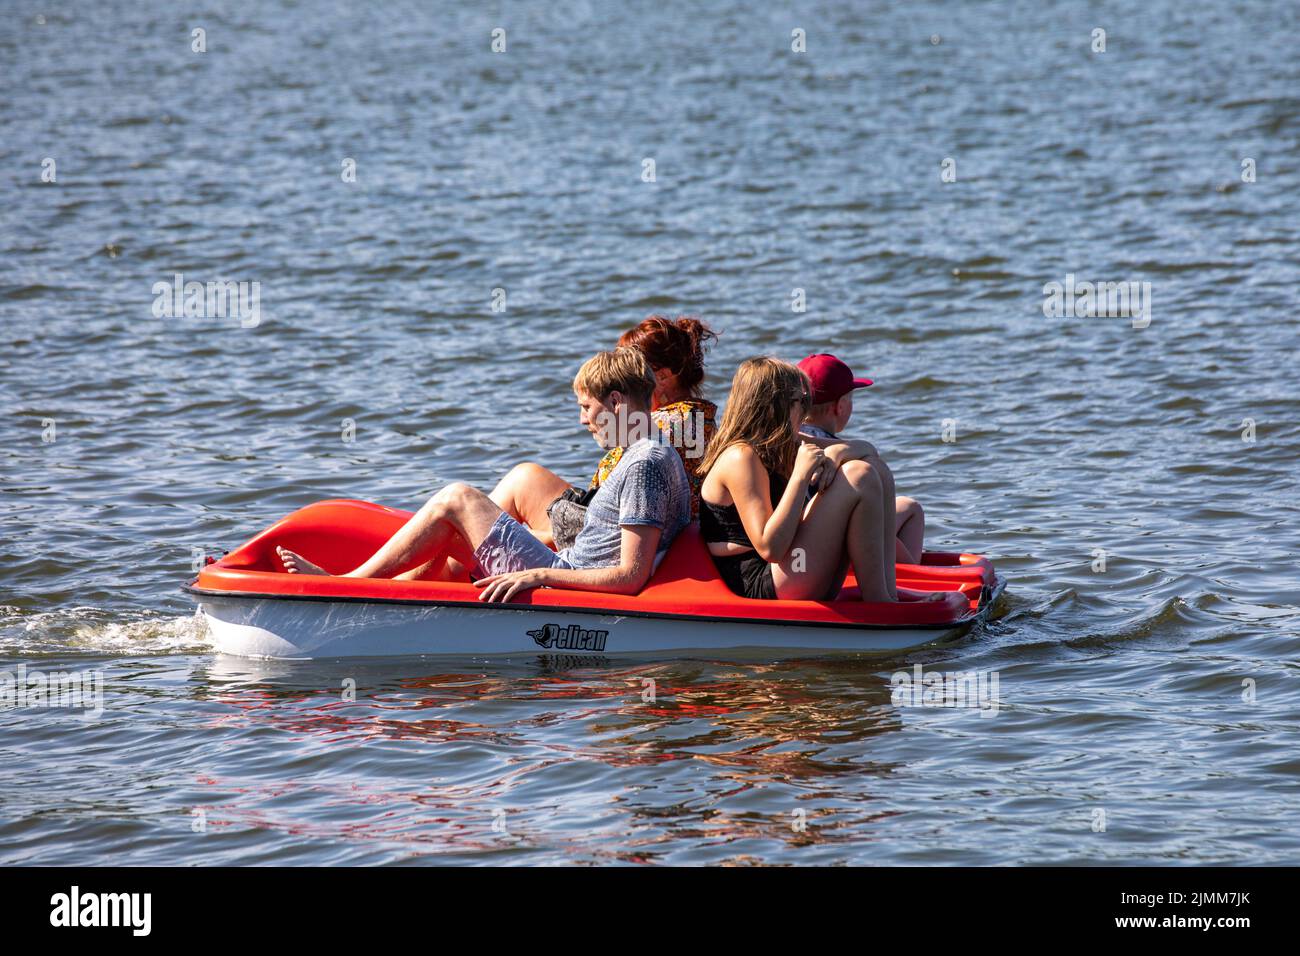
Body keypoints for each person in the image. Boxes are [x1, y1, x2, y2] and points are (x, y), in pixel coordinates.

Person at [276, 349, 691, 603]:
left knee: (456, 498)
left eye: (587, 407)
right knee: (454, 535)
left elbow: (630, 576)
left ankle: (346, 587)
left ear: (615, 401)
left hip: (561, 583)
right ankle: (389, 599)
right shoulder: (648, 452)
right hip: (564, 569)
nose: (583, 420)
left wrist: (538, 574)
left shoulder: (644, 463)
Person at [696, 357, 962, 610]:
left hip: (793, 572)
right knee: (858, 476)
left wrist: (835, 454)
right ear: (774, 407)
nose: (807, 408)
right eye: (801, 401)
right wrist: (800, 476)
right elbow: (770, 548)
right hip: (762, 582)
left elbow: (868, 450)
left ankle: (886, 595)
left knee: (874, 469)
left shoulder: (783, 442)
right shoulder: (740, 457)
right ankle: (881, 604)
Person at [491, 315, 718, 551]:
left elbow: (615, 523)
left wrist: (535, 538)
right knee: (524, 482)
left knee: (520, 482)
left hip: (612, 541)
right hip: (634, 528)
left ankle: (461, 571)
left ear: (662, 375)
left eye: (631, 371)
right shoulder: (699, 420)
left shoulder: (659, 430)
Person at [796, 353, 926, 564]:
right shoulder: (842, 454)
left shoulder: (790, 438)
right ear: (840, 406)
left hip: (803, 542)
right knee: (912, 509)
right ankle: (912, 575)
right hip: (831, 544)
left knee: (906, 507)